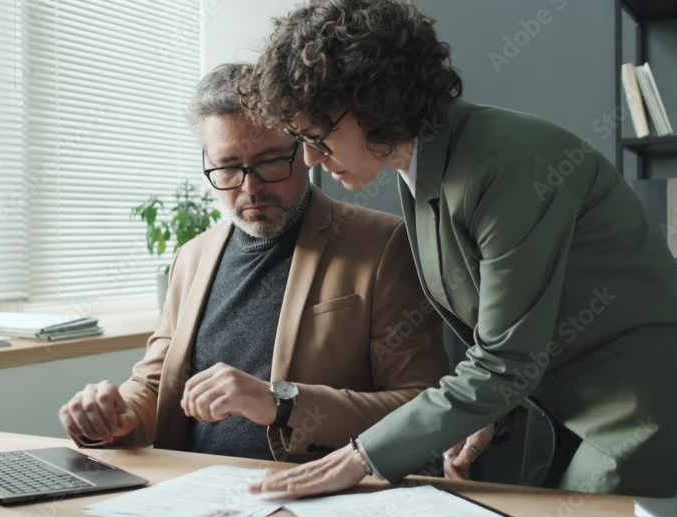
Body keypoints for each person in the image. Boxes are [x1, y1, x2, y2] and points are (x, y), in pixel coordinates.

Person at [243, 0, 677, 497]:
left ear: (376, 103)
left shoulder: (508, 164)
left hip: (647, 414)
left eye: (317, 136)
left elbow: (506, 359)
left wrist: (361, 455)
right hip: (580, 411)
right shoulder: (419, 164)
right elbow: (507, 332)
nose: (311, 158)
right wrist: (481, 411)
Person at [58, 63, 449, 463]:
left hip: (314, 495)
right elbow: (156, 385)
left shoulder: (383, 245)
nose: (250, 187)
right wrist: (115, 415)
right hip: (190, 492)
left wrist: (282, 403)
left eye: (268, 163)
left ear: (304, 149)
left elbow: (421, 408)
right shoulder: (190, 259)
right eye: (228, 167)